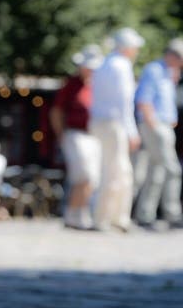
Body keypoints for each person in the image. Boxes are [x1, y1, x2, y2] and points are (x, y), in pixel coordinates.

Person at [89, 27, 143, 232]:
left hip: (100, 123)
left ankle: (113, 218)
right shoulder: (121, 66)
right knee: (117, 172)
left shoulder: (104, 65)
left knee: (112, 171)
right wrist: (132, 131)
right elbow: (125, 103)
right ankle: (111, 219)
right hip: (114, 124)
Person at [50, 45, 103, 229]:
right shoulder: (72, 85)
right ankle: (74, 213)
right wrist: (62, 135)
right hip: (75, 134)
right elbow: (56, 112)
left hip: (94, 135)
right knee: (83, 175)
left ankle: (79, 213)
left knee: (92, 178)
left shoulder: (98, 84)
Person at [133, 38, 183, 229]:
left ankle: (145, 214)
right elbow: (144, 100)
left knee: (157, 172)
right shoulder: (154, 70)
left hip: (163, 126)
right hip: (156, 126)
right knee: (173, 170)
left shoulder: (168, 73)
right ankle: (173, 213)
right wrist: (155, 126)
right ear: (172, 56)